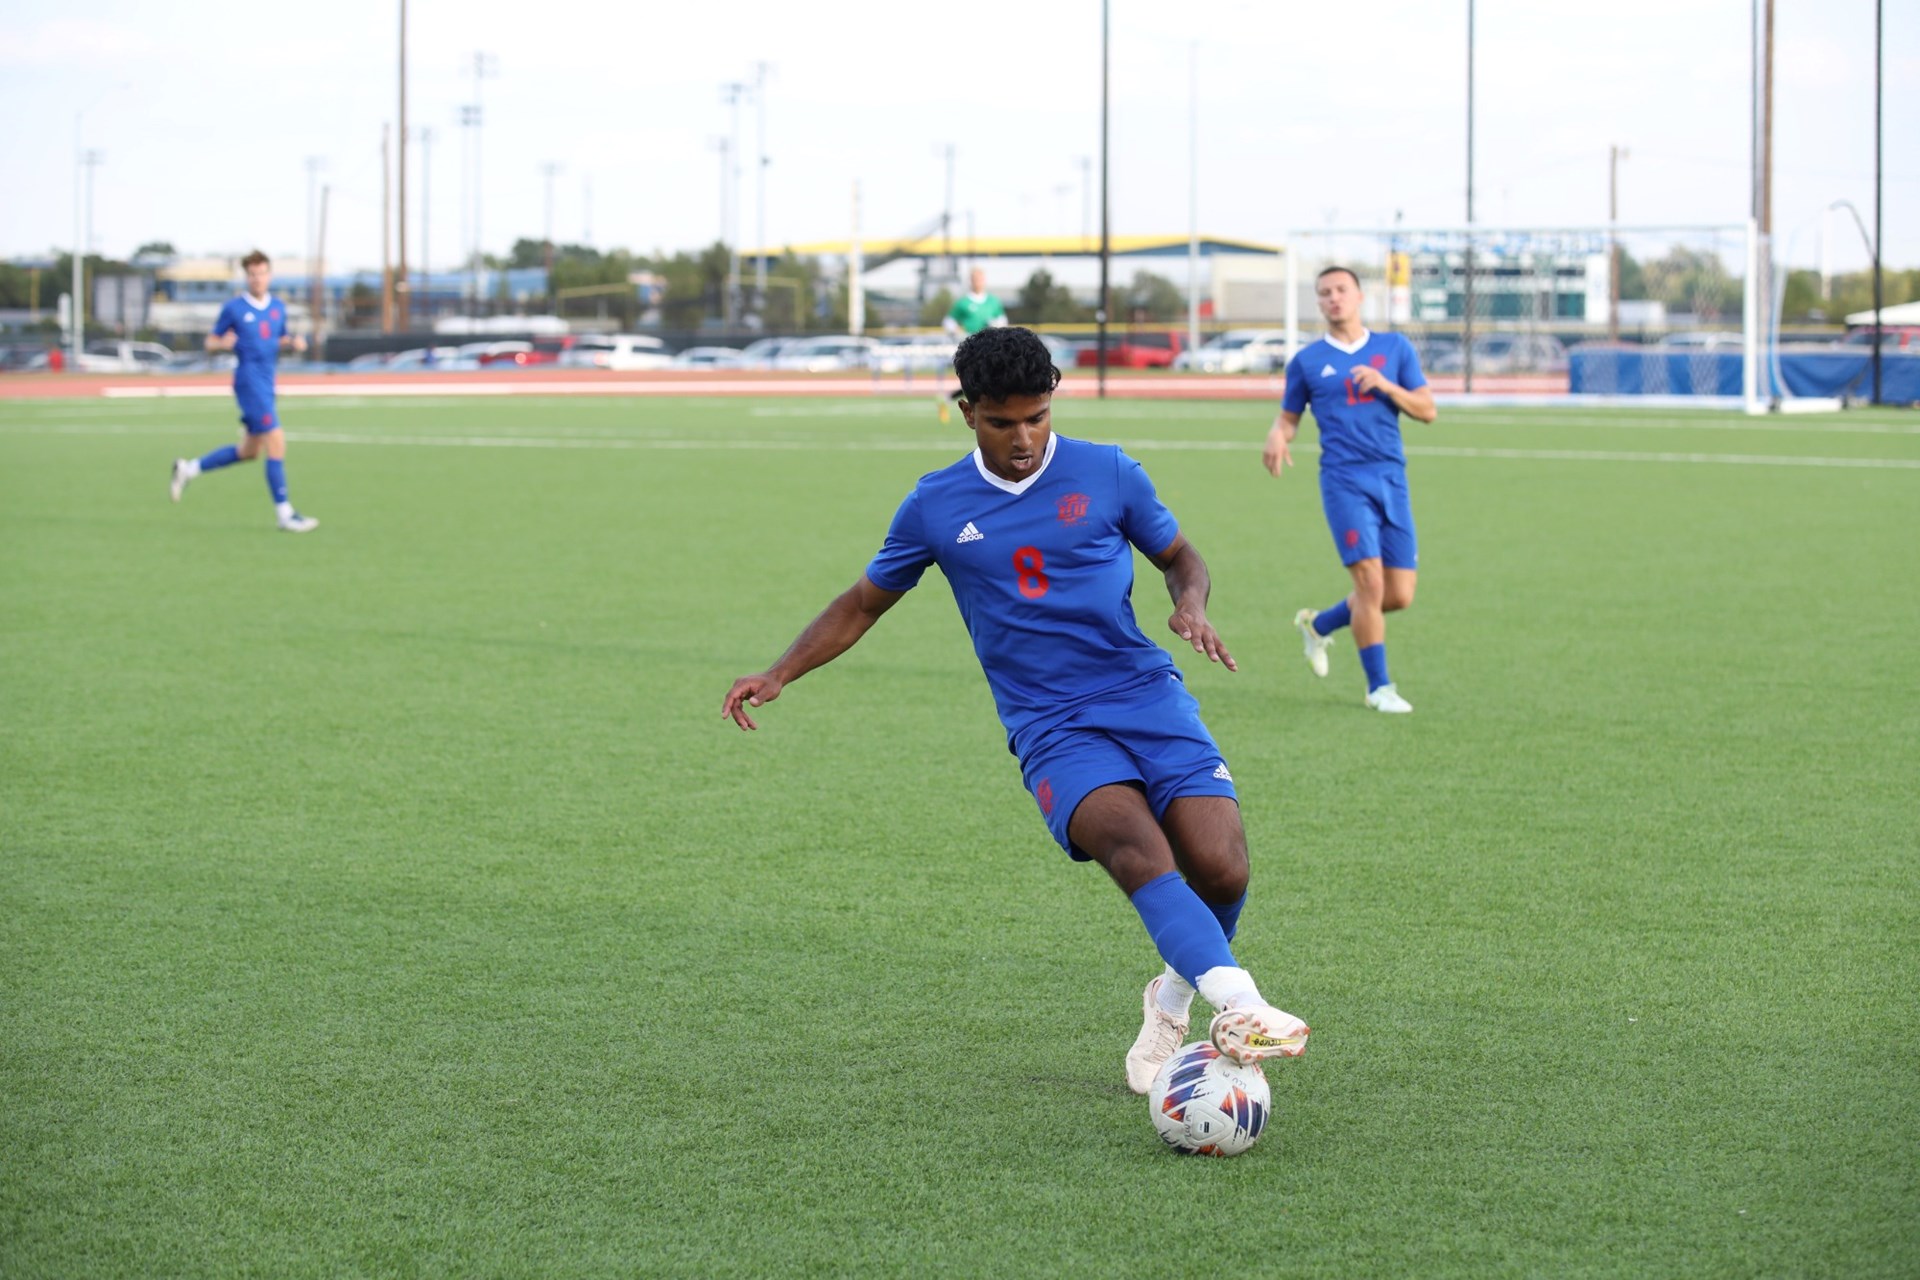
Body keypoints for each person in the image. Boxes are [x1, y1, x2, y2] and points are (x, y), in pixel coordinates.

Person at [723, 326, 1309, 1094]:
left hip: (1145, 695)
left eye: (1037, 417)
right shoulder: (936, 505)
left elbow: (1180, 559)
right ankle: (1242, 1004)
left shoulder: (1108, 472)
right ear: (967, 411)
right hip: (1051, 725)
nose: (1024, 438)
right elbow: (863, 603)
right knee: (1137, 853)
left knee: (1222, 868)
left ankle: (1170, 996)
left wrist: (1189, 606)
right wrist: (780, 672)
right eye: (1003, 422)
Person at [1264, 266, 1437, 712]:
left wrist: (1386, 385)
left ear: (1360, 296)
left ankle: (1318, 625)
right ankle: (1379, 688)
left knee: (1397, 595)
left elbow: (1427, 409)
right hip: (1343, 481)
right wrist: (1278, 434)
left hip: (1391, 478)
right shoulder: (1306, 361)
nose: (1333, 298)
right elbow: (1289, 417)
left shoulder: (1393, 348)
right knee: (1369, 584)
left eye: (1341, 290)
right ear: (1318, 302)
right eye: (1324, 293)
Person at [169, 250, 318, 532]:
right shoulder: (234, 309)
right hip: (249, 382)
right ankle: (285, 514)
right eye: (252, 274)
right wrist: (221, 343)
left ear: (269, 275)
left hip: (268, 381)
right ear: (246, 277)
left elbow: (280, 337)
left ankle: (188, 469)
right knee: (276, 440)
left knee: (249, 451)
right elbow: (210, 342)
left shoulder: (278, 308)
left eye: (261, 273)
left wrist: (294, 343)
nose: (257, 279)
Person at [942, 266, 1008, 340]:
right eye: (975, 279)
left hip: (991, 342)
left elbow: (1002, 320)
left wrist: (996, 325)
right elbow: (949, 320)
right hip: (971, 343)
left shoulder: (993, 301)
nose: (978, 282)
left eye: (980, 279)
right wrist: (954, 330)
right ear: (971, 280)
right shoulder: (963, 302)